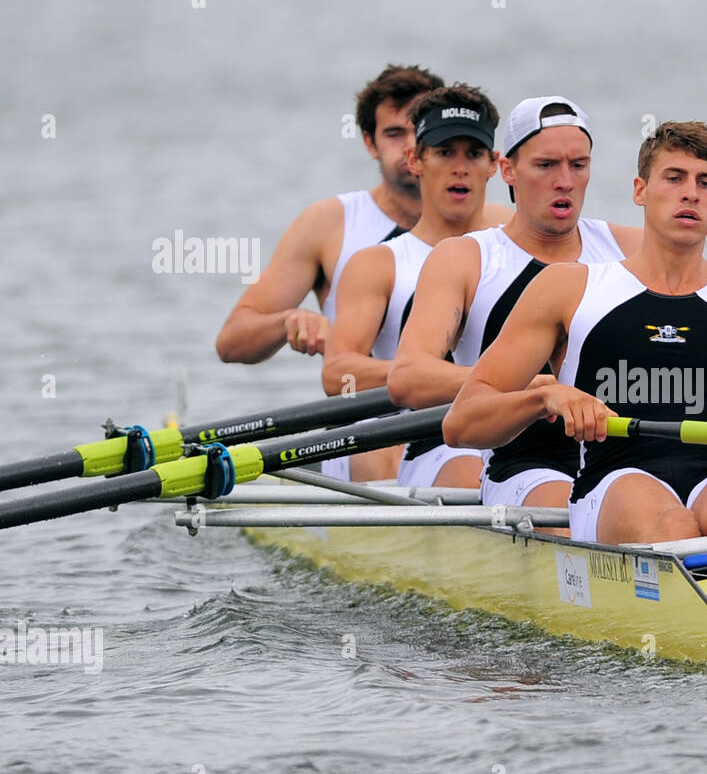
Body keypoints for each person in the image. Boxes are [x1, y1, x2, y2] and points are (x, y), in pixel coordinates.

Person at [441, 121, 707, 544]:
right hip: (613, 483)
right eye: (674, 178)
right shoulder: (568, 289)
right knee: (670, 526)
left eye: (705, 183)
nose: (690, 193)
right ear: (640, 191)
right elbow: (461, 425)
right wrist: (543, 398)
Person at [388, 96, 641, 504]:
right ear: (507, 169)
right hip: (498, 458)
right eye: (545, 165)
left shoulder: (631, 248)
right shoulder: (467, 258)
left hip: (613, 455)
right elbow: (408, 378)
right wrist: (529, 388)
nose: (565, 181)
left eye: (578, 165)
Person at [214, 64, 511, 363]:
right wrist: (288, 321)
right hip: (371, 404)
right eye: (395, 133)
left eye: (423, 134)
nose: (410, 143)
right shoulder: (329, 225)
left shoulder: (505, 226)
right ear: (370, 142)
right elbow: (231, 343)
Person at [318, 84, 503, 481]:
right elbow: (337, 375)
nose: (460, 167)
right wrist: (421, 379)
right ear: (415, 159)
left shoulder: (517, 254)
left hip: (486, 423)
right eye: (444, 153)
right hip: (391, 430)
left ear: (494, 164)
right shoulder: (380, 264)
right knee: (462, 464)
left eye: (473, 154)